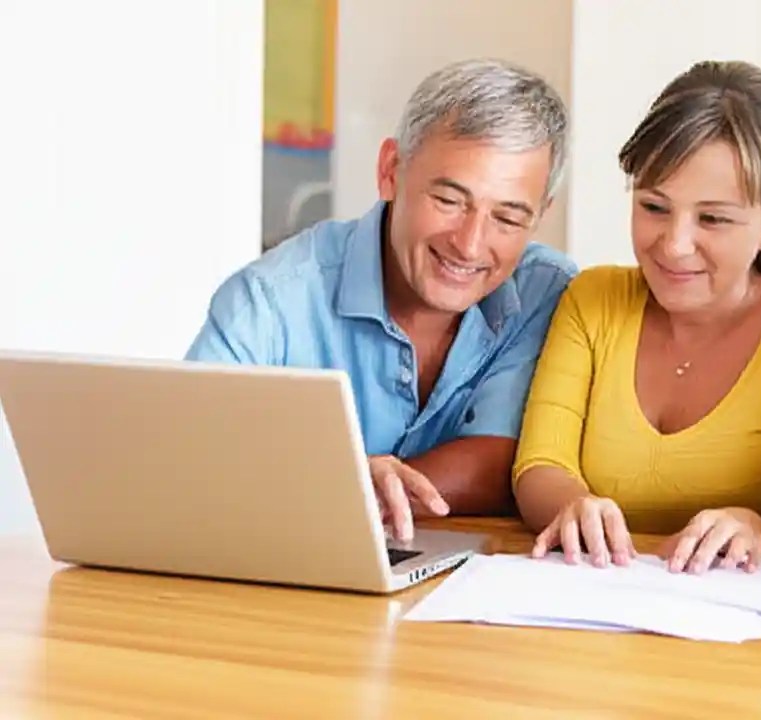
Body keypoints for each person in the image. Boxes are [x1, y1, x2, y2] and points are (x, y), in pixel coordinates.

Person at [512, 60, 761, 575]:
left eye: (712, 218)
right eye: (654, 207)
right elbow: (540, 465)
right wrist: (573, 505)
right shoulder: (592, 301)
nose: (675, 245)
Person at [186, 59, 576, 541]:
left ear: (539, 216)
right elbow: (192, 462)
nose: (470, 244)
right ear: (391, 170)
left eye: (508, 218)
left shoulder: (549, 295)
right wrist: (348, 487)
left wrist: (348, 491)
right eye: (449, 200)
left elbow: (504, 459)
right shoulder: (268, 301)